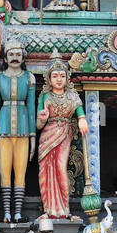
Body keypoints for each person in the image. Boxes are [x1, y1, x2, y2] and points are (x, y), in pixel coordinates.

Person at [37, 57, 88, 220]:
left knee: (60, 167)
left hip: (64, 132)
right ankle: (49, 208)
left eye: (62, 76)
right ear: (49, 79)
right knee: (45, 171)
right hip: (48, 134)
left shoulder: (73, 96)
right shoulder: (44, 96)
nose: (59, 79)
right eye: (55, 76)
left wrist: (82, 120)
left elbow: (81, 114)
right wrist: (43, 118)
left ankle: (64, 208)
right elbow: (38, 125)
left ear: (67, 78)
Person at [0, 42, 36, 223]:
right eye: (11, 54)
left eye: (18, 54)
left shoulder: (29, 78)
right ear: (6, 57)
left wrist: (33, 137)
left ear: (23, 57)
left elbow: (31, 108)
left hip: (24, 130)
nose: (15, 57)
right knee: (4, 172)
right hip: (3, 130)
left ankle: (17, 212)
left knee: (20, 173)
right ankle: (6, 213)